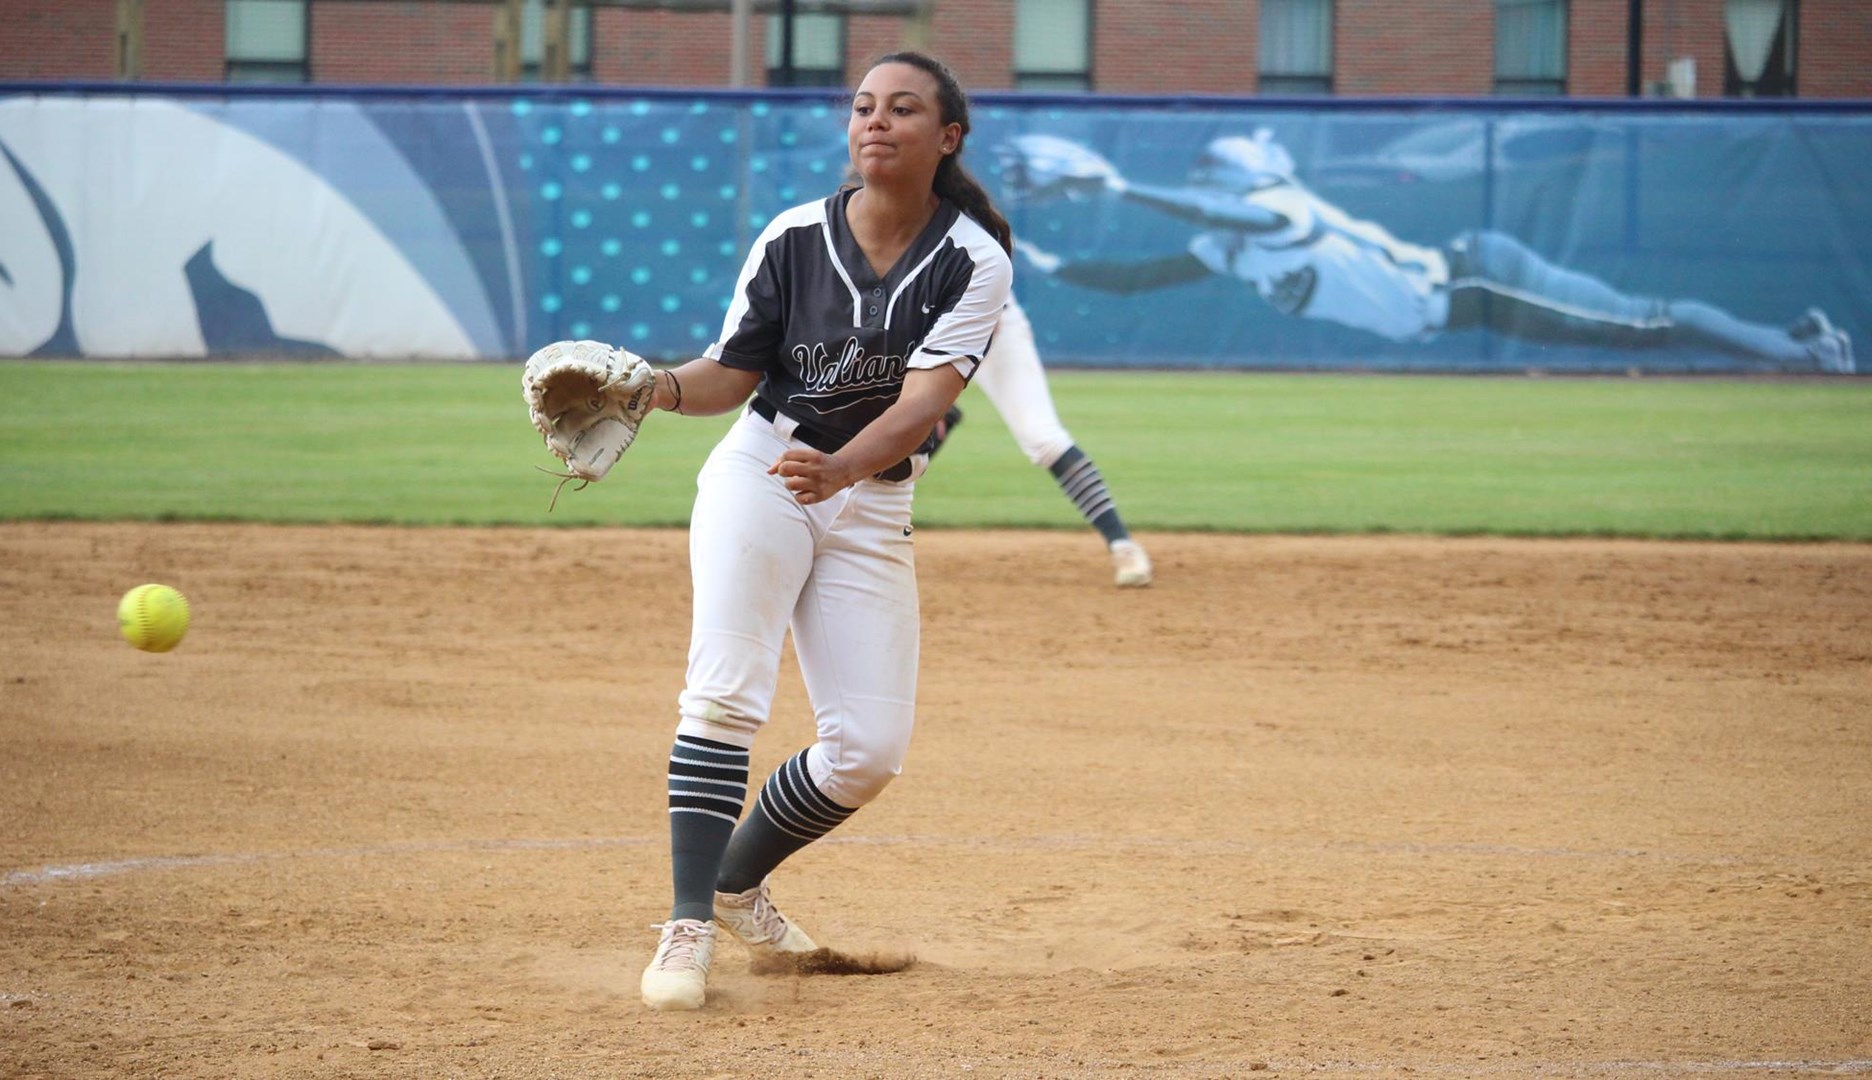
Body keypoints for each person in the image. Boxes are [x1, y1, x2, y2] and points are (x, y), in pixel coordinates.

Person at [626, 51, 1012, 1011]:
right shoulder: (794, 236)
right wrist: (651, 389)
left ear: (946, 138)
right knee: (723, 696)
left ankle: (731, 884)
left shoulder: (975, 258)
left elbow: (927, 402)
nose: (875, 121)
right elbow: (728, 373)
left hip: (872, 498)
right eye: (864, 107)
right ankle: (683, 926)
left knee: (868, 749)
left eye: (904, 109)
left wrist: (843, 471)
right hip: (764, 472)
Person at [998, 131, 1854, 375]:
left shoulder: (1276, 209)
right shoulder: (1231, 243)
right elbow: (1143, 276)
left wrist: (1115, 186)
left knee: (1644, 325)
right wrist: (1047, 263)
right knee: (1636, 328)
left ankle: (1806, 349)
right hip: (1461, 293)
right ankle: (1802, 331)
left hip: (1476, 279)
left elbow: (1209, 208)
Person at [935, 298, 1153, 587]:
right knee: (887, 424)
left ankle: (1122, 545)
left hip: (987, 319)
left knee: (1043, 439)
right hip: (910, 324)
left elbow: (990, 273)